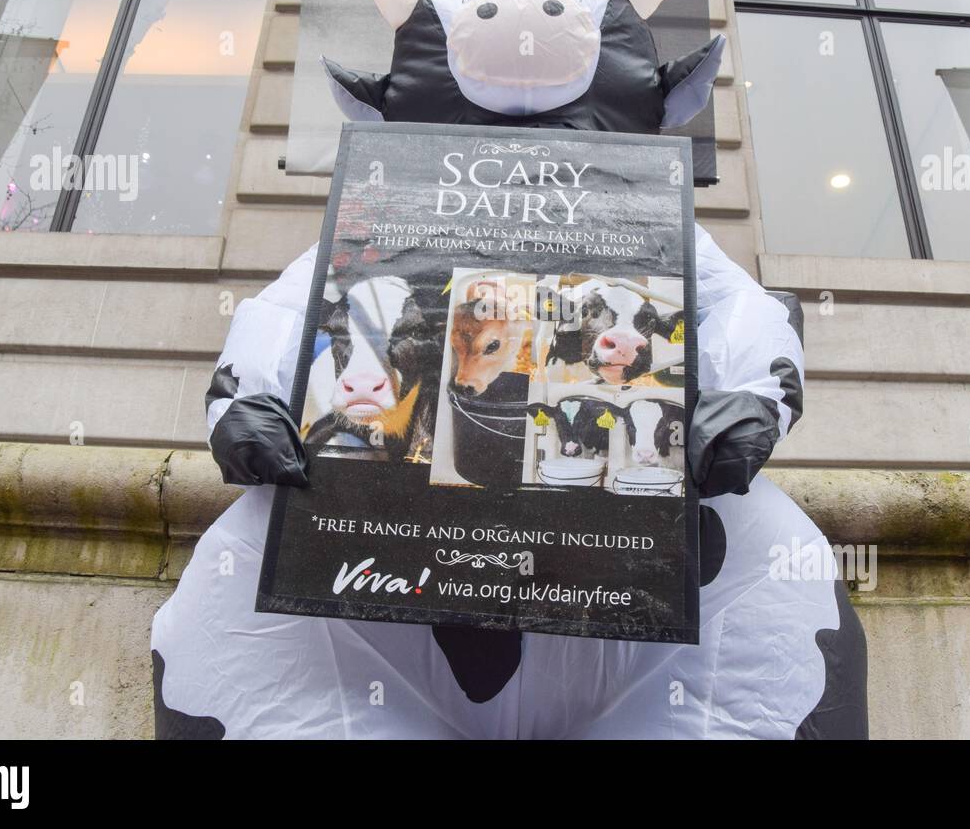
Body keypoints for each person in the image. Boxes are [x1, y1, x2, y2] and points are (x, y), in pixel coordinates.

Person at [150, 223, 868, 739]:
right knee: (242, 593)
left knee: (770, 591)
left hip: (657, 617)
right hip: (367, 614)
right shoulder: (382, 212)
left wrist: (752, 392)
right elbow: (283, 310)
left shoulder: (645, 211)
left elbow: (740, 305)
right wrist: (244, 396)